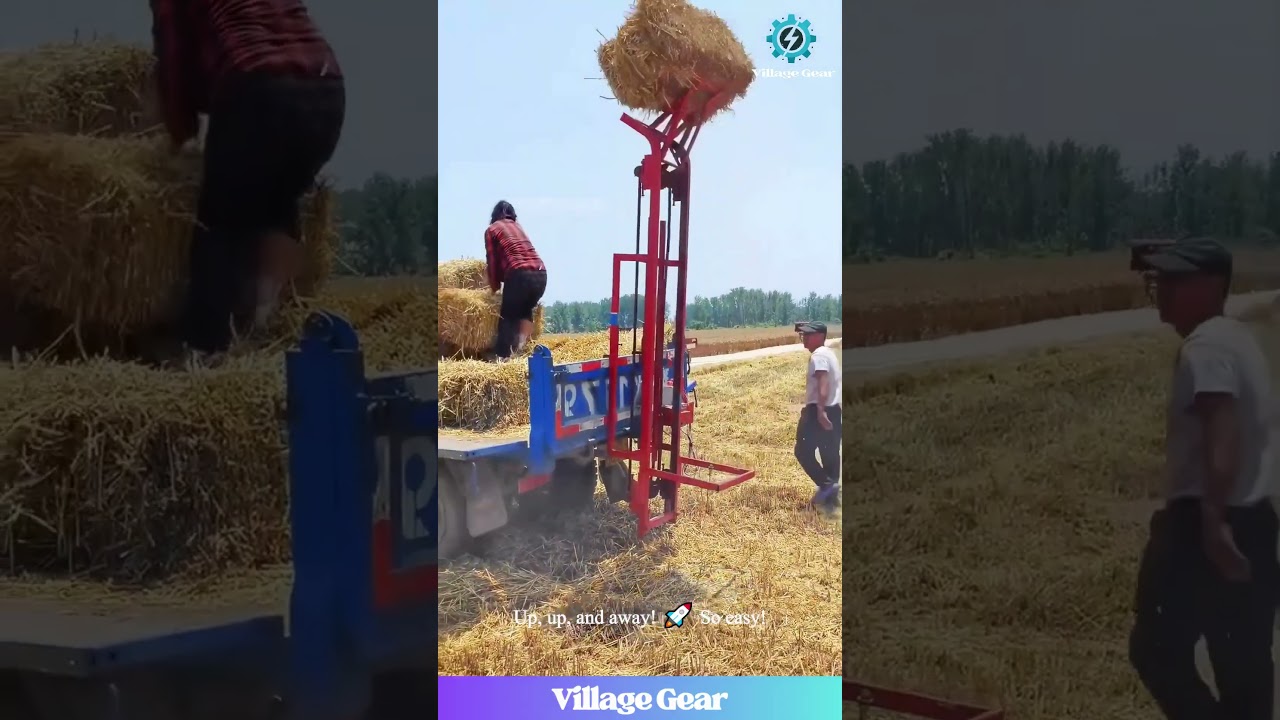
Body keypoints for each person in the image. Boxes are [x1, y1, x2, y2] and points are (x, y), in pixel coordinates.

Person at [1126, 238, 1279, 720]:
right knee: (1244, 665)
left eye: (1174, 281)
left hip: (1204, 527)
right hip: (1254, 523)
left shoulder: (1206, 346)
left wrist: (1212, 523)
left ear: (1211, 286)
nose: (1162, 291)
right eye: (1159, 280)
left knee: (1155, 650)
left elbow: (1222, 425)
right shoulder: (1236, 337)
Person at [150, 0, 345, 365]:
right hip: (327, 87)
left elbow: (173, 61)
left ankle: (203, 352)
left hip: (258, 84)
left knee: (219, 223)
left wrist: (179, 132)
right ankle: (267, 329)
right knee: (277, 202)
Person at [484, 201, 547, 359]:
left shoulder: (492, 229)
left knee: (508, 317)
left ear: (494, 215)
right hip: (541, 274)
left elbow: (492, 262)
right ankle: (521, 351)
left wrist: (494, 286)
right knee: (525, 310)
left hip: (520, 274)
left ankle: (502, 359)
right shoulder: (518, 227)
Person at [794, 321, 841, 512]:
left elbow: (823, 382)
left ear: (820, 336)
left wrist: (819, 411)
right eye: (802, 334)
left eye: (808, 334)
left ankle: (827, 487)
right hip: (834, 409)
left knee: (802, 451)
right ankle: (830, 500)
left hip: (820, 411)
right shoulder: (828, 353)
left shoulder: (819, 356)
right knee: (829, 454)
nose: (804, 338)